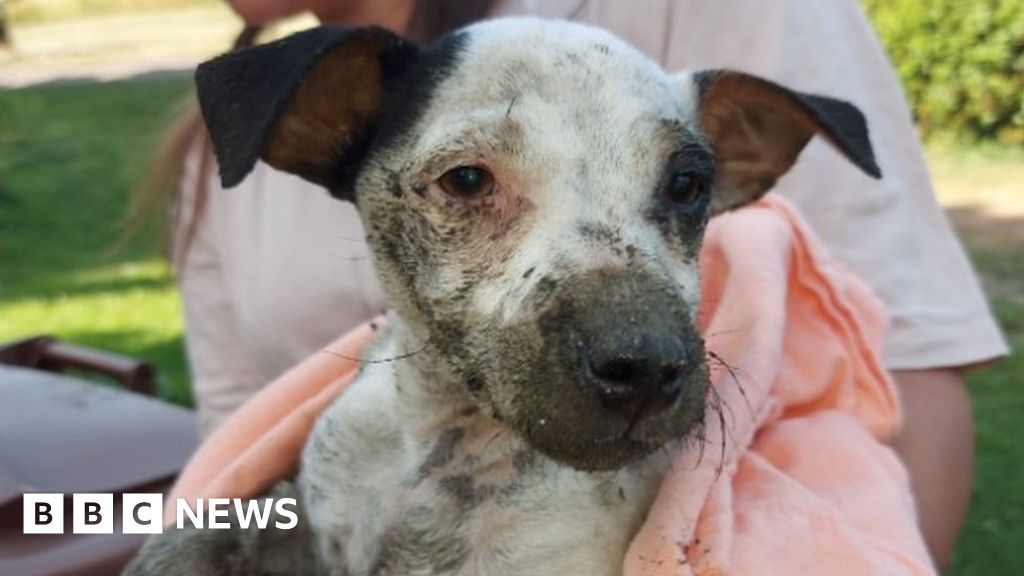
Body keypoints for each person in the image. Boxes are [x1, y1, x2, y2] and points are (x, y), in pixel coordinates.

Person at [159, 0, 1007, 568]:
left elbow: (907, 388)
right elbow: (233, 471)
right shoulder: (230, 153)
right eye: (467, 184)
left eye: (679, 188)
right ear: (313, 123)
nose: (637, 344)